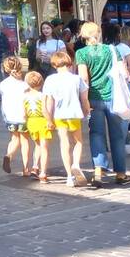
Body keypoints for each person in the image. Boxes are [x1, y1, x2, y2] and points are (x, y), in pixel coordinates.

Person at [75, 20, 130, 188]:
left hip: (93, 97)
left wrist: (83, 101)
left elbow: (83, 79)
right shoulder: (112, 50)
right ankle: (121, 174)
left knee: (96, 134)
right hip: (114, 98)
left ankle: (98, 172)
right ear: (98, 33)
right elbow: (125, 73)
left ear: (83, 36)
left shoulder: (81, 53)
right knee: (117, 136)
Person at [43, 51, 90, 186]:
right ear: (68, 62)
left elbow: (49, 103)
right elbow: (84, 99)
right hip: (74, 114)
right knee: (78, 142)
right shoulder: (76, 79)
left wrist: (49, 119)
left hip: (59, 115)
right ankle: (76, 164)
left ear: (54, 64)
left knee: (64, 144)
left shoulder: (50, 80)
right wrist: (87, 111)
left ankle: (69, 176)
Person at [0, 55, 30, 175]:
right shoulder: (24, 85)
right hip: (23, 116)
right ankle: (26, 168)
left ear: (5, 69)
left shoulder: (3, 84)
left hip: (9, 116)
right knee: (24, 141)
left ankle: (8, 155)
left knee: (14, 139)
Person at [113, 26, 130, 154]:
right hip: (125, 82)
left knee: (117, 115)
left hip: (114, 84)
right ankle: (124, 143)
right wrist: (123, 72)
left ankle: (121, 143)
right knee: (126, 114)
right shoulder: (125, 48)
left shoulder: (112, 47)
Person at [22, 70, 52, 182]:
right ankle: (43, 173)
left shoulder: (25, 96)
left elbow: (24, 113)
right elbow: (45, 110)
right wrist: (50, 121)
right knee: (44, 148)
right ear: (41, 83)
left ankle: (35, 166)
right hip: (42, 122)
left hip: (31, 122)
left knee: (37, 145)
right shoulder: (42, 95)